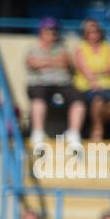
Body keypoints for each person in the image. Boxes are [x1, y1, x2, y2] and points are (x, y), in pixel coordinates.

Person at [24, 18, 85, 146]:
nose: (53, 34)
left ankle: (73, 134)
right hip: (39, 84)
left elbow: (65, 63)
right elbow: (32, 63)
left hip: (62, 84)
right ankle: (38, 133)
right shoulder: (32, 47)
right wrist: (54, 61)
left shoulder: (62, 47)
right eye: (49, 30)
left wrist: (44, 62)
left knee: (78, 99)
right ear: (41, 32)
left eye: (55, 30)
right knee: (38, 100)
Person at [72, 19, 110, 142]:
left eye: (96, 32)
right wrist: (95, 80)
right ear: (85, 34)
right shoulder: (81, 48)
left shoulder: (108, 47)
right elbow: (83, 69)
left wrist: (96, 71)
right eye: (91, 32)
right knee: (97, 101)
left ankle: (96, 127)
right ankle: (99, 130)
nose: (94, 34)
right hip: (88, 85)